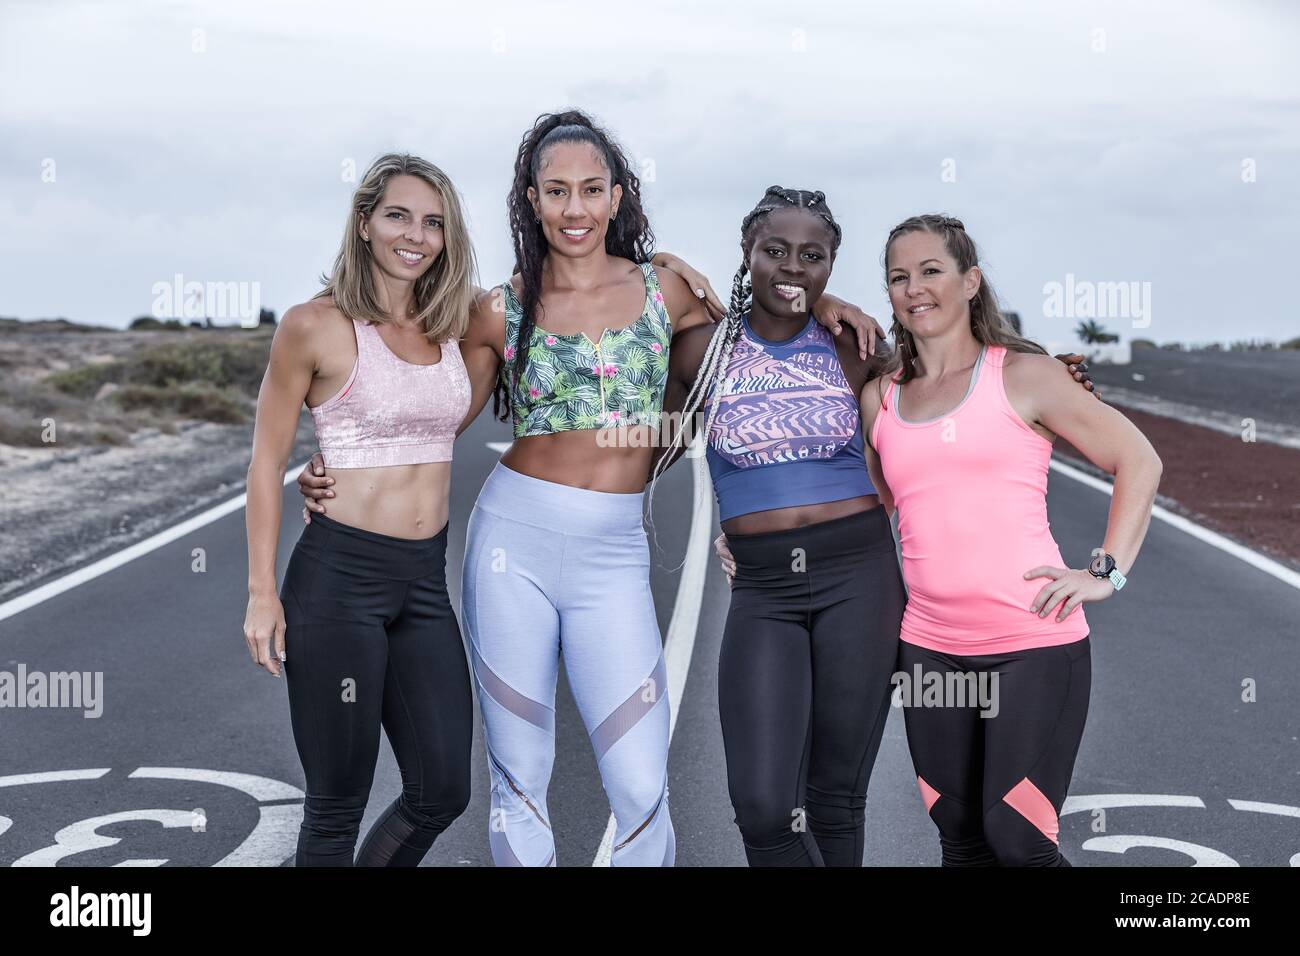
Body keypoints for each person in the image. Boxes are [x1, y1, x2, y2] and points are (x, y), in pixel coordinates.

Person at [296, 111, 881, 867]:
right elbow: (425, 416)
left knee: (640, 784)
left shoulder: (668, 289)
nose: (575, 209)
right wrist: (336, 465)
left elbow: (758, 335)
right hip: (514, 546)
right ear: (531, 200)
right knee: (521, 778)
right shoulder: (495, 311)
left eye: (592, 190)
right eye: (557, 191)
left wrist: (828, 307)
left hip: (613, 555)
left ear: (617, 197)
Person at [662, 192, 1096, 866]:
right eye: (775, 250)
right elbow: (646, 428)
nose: (792, 267)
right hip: (763, 589)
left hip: (858, 579)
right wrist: (661, 264)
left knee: (835, 796)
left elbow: (948, 383)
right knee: (764, 807)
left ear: (832, 265)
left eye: (813, 256)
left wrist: (1049, 371)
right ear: (747, 251)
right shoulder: (702, 350)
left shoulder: (854, 344)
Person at [863, 213, 1162, 865]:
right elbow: (875, 513)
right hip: (931, 653)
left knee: (1020, 839)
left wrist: (1106, 573)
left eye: (932, 270)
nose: (915, 287)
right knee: (961, 838)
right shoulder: (882, 397)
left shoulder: (1024, 376)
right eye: (898, 276)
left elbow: (1138, 459)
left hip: (1033, 647)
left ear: (970, 282)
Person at [242, 153, 478, 866]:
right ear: (366, 222)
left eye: (433, 222)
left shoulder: (453, 324)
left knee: (442, 789)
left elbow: (558, 280)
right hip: (338, 584)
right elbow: (264, 461)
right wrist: (260, 595)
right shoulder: (313, 325)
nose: (416, 234)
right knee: (336, 807)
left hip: (424, 583)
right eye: (399, 215)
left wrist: (667, 261)